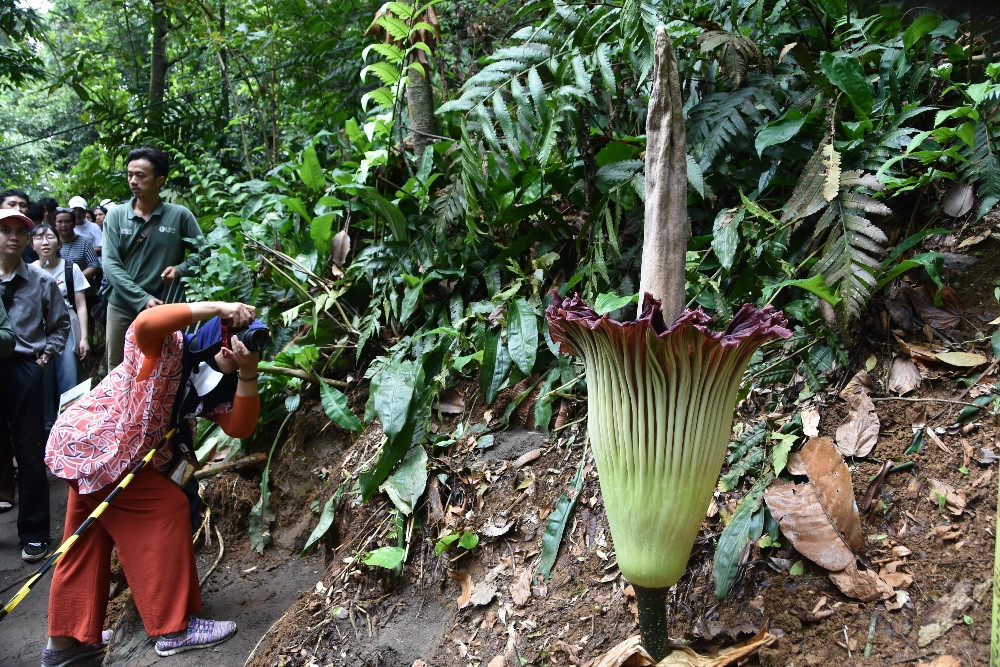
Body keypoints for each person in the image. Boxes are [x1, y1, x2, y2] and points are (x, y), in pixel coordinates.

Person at [43, 300, 263, 665]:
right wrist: (218, 306)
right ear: (216, 336)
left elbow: (240, 427)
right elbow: (145, 323)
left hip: (92, 455)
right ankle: (173, 629)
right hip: (100, 448)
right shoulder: (169, 346)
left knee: (84, 538)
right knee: (166, 507)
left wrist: (248, 373)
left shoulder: (218, 387)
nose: (236, 348)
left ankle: (65, 645)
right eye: (232, 338)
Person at [0, 208, 70, 559]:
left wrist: (43, 359)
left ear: (28, 239)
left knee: (29, 451)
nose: (13, 236)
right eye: (5, 230)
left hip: (25, 368)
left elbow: (60, 325)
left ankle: (35, 532)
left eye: (19, 231)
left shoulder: (41, 281)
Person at [102, 147, 205, 369]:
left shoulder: (179, 215)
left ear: (159, 180)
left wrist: (181, 268)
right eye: (130, 174)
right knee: (118, 369)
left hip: (163, 303)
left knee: (164, 367)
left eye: (141, 175)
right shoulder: (116, 215)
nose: (133, 181)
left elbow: (204, 252)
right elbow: (110, 265)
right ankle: (121, 405)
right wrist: (141, 299)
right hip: (121, 305)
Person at [31, 224, 90, 428]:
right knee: (43, 379)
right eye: (39, 238)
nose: (45, 242)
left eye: (49, 237)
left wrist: (83, 338)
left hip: (67, 328)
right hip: (38, 331)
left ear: (59, 242)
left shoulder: (69, 268)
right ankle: (47, 426)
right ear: (32, 244)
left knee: (69, 375)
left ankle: (70, 424)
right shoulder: (29, 271)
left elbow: (80, 305)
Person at [54, 208, 100, 285]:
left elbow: (94, 266)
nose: (64, 225)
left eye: (67, 221)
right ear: (54, 223)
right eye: (60, 222)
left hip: (86, 292)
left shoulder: (85, 243)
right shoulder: (52, 243)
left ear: (74, 223)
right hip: (59, 292)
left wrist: (72, 280)